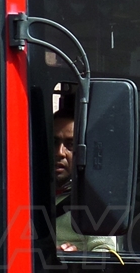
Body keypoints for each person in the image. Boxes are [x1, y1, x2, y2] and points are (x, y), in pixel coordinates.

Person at [51, 104, 120, 253]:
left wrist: (75, 259)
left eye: (70, 145)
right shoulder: (24, 194)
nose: (59, 152)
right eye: (54, 142)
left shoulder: (92, 202)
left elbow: (105, 255)